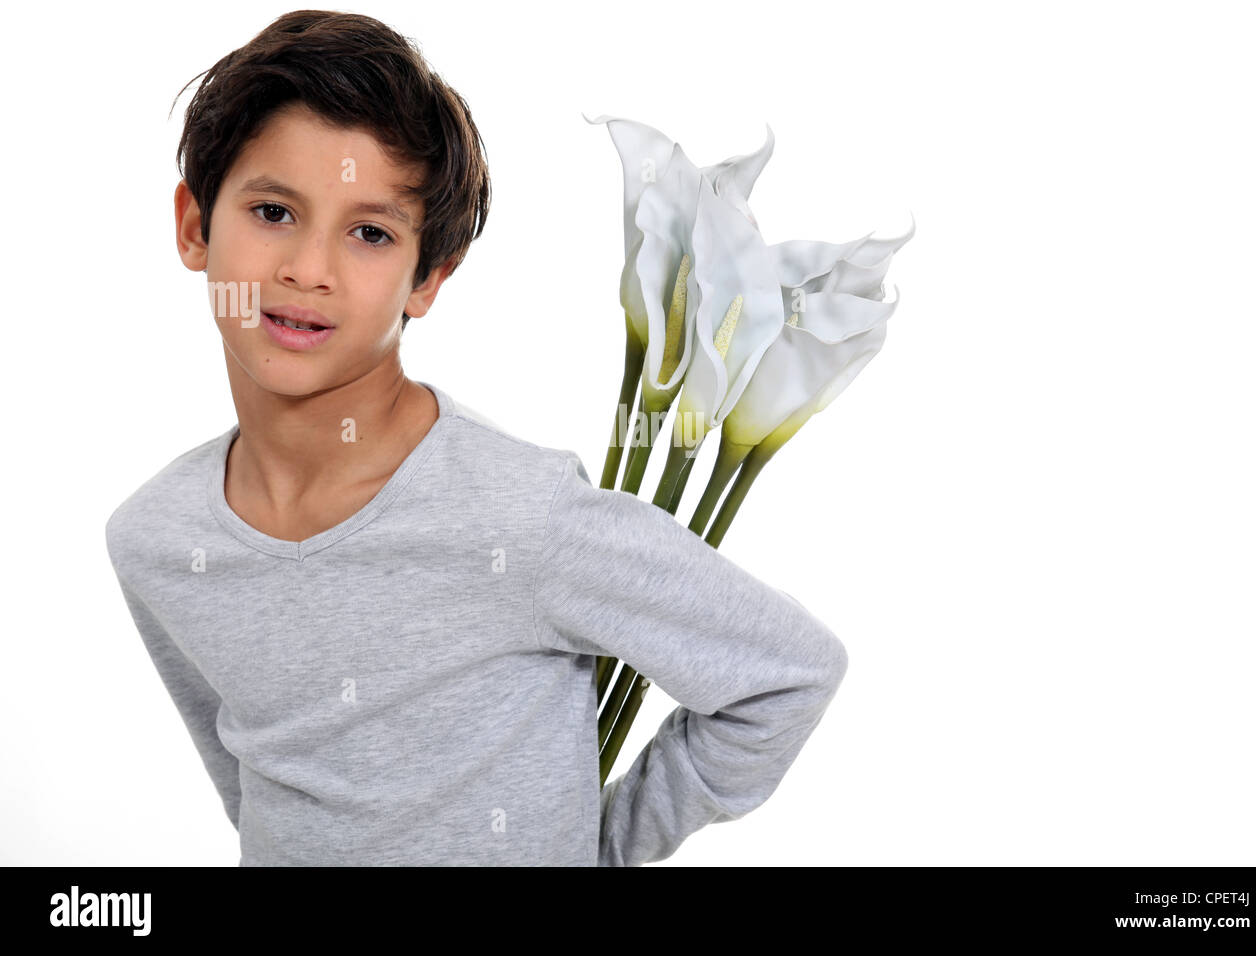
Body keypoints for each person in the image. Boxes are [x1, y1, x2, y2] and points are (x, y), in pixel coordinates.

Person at [104, 9, 848, 866]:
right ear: (194, 226)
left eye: (370, 233)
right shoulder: (155, 540)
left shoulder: (523, 520)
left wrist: (594, 847)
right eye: (273, 211)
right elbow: (248, 787)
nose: (308, 269)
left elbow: (788, 673)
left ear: (429, 279)